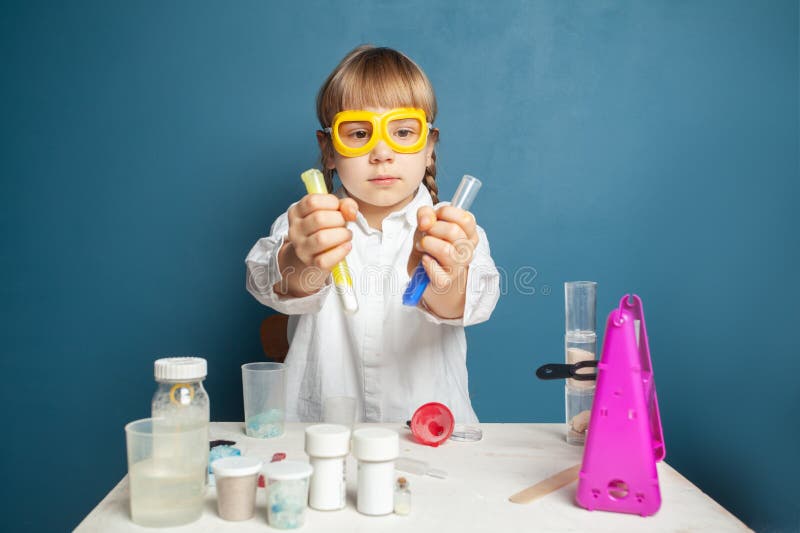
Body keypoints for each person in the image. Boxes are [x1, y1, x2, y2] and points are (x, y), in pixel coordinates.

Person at [246, 45, 500, 423]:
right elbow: (272, 283)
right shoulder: (306, 224)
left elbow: (465, 304)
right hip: (324, 443)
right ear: (328, 150)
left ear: (429, 147)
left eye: (402, 131)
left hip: (430, 442)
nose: (382, 151)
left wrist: (440, 277)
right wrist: (301, 260)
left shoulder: (455, 230)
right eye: (360, 133)